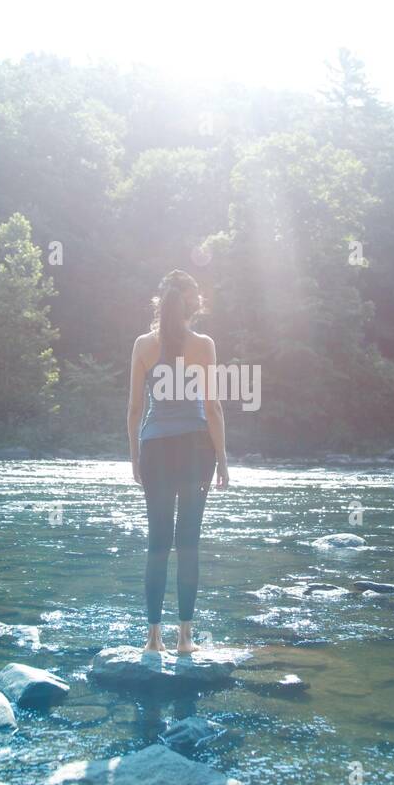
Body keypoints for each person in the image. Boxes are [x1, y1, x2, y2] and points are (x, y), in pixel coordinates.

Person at [127, 269, 229, 654]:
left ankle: (153, 639)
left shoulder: (142, 345)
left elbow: (135, 409)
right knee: (188, 544)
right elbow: (214, 408)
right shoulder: (203, 344)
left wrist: (135, 457)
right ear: (194, 304)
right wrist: (222, 459)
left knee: (157, 544)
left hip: (155, 449)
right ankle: (185, 638)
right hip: (195, 450)